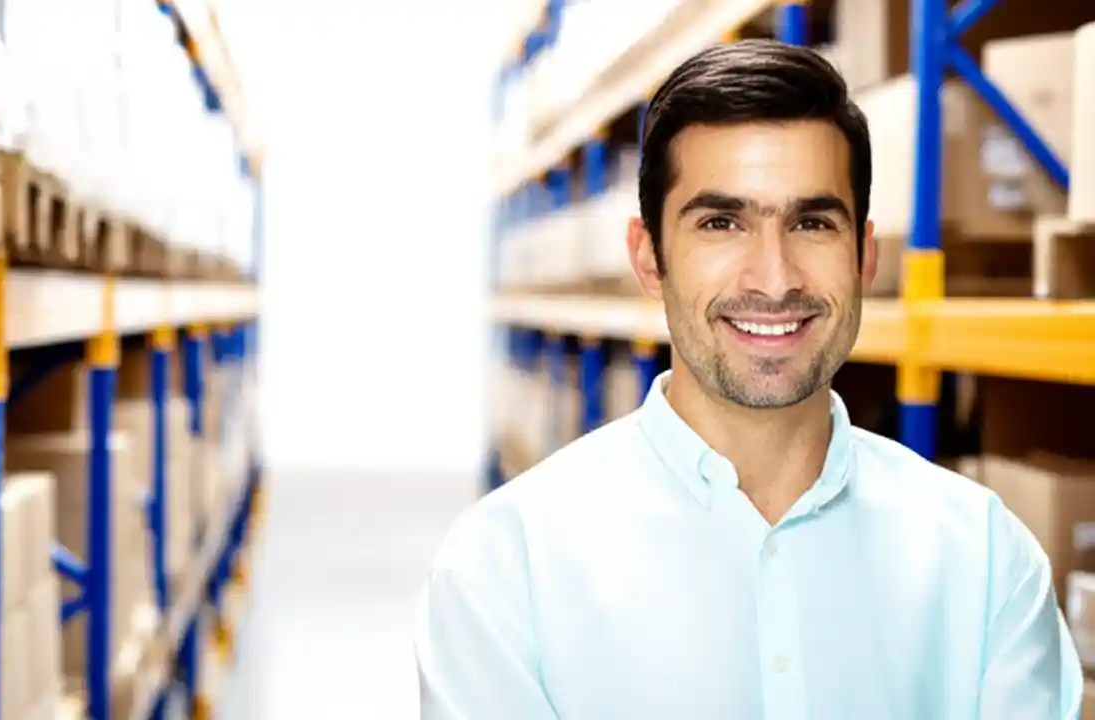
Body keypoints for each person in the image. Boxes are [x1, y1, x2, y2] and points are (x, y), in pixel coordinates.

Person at [415, 40, 1081, 719]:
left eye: (812, 223)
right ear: (649, 258)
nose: (774, 278)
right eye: (721, 223)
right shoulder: (506, 570)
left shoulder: (985, 560)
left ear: (864, 256)